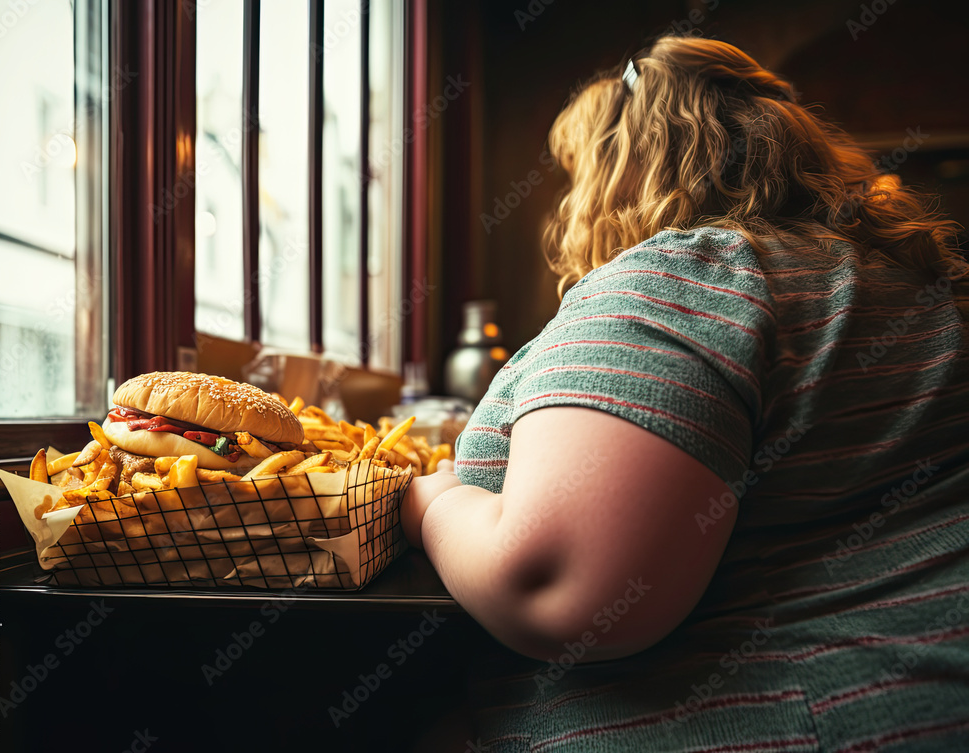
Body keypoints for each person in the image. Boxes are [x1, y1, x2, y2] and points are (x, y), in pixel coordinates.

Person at [401, 35, 969, 751]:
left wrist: (437, 500)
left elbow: (552, 587)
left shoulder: (689, 272)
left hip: (809, 713)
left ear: (626, 168)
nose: (576, 200)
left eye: (581, 173)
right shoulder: (901, 282)